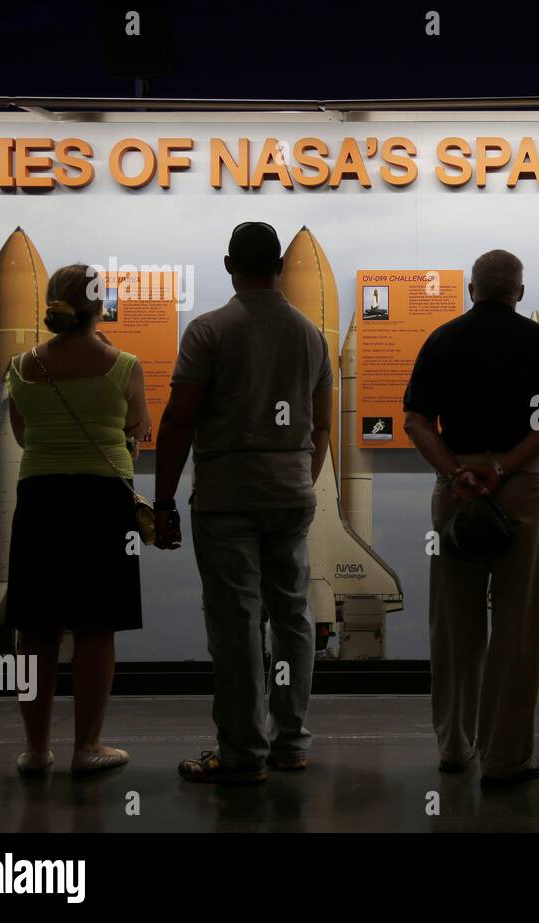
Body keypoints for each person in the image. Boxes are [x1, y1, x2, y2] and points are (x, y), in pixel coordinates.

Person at [154, 222, 334, 784]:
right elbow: (323, 425)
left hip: (227, 496)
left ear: (229, 263)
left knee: (235, 624)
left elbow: (180, 418)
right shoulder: (311, 335)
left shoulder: (208, 332)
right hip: (290, 493)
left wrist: (161, 502)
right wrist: (299, 478)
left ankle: (241, 753)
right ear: (279, 263)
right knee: (293, 619)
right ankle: (291, 743)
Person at [403, 249, 539, 788]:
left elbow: (415, 422)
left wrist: (457, 473)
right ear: (519, 292)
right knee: (518, 626)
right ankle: (504, 758)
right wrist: (503, 467)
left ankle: (454, 747)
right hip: (519, 484)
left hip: (457, 490)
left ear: (472, 289)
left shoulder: (442, 339)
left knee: (454, 622)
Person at [6, 263, 151, 776]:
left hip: (40, 499)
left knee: (35, 630)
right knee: (96, 627)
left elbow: (24, 436)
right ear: (100, 307)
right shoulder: (124, 364)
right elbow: (139, 427)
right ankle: (87, 746)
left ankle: (35, 749)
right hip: (101, 500)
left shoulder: (19, 367)